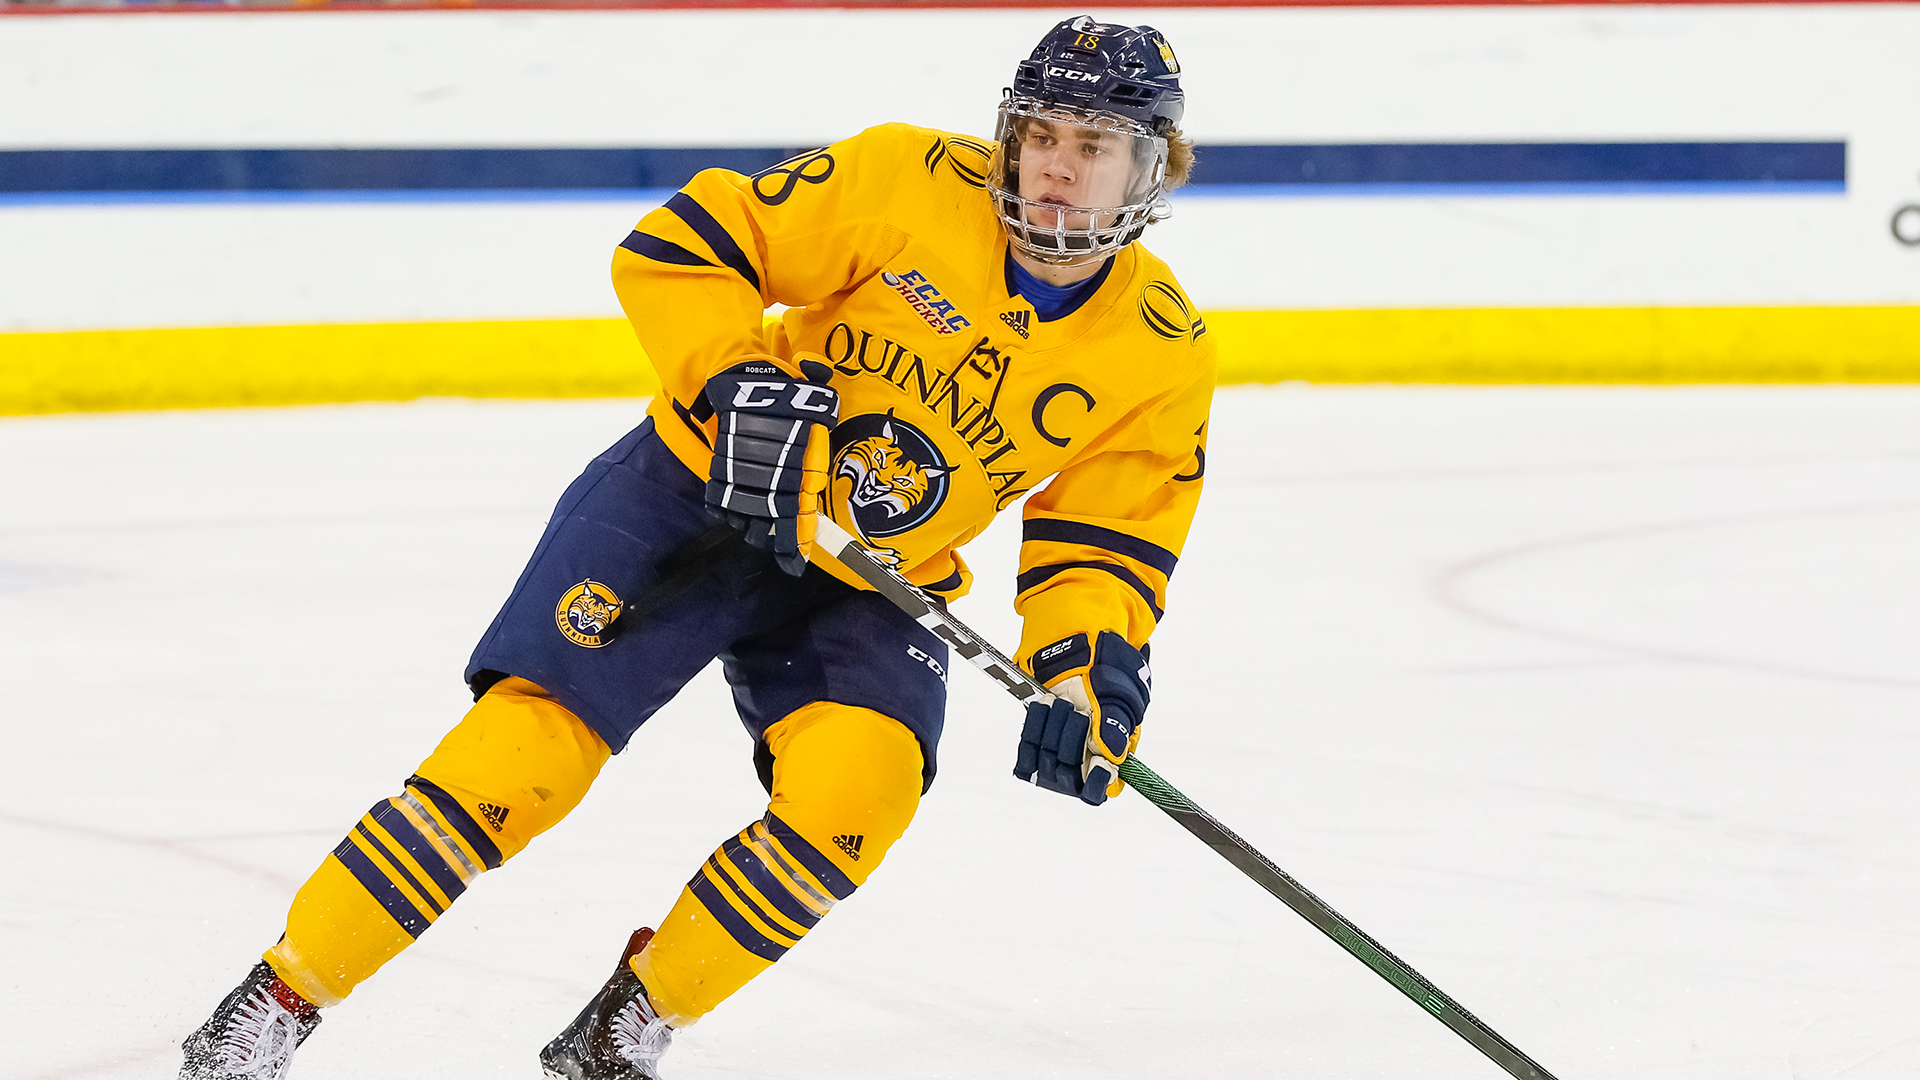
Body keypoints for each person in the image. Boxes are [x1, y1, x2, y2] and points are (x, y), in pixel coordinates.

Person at [178, 15, 1215, 1080]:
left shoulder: (1161, 351)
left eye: (1092, 147)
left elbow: (1106, 543)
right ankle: (276, 1002)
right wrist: (737, 381)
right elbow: (683, 244)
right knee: (525, 759)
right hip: (699, 491)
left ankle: (626, 1025)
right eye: (1039, 134)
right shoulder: (906, 178)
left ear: (1155, 168)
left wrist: (1086, 668)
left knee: (860, 790)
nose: (1053, 167)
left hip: (867, 579)